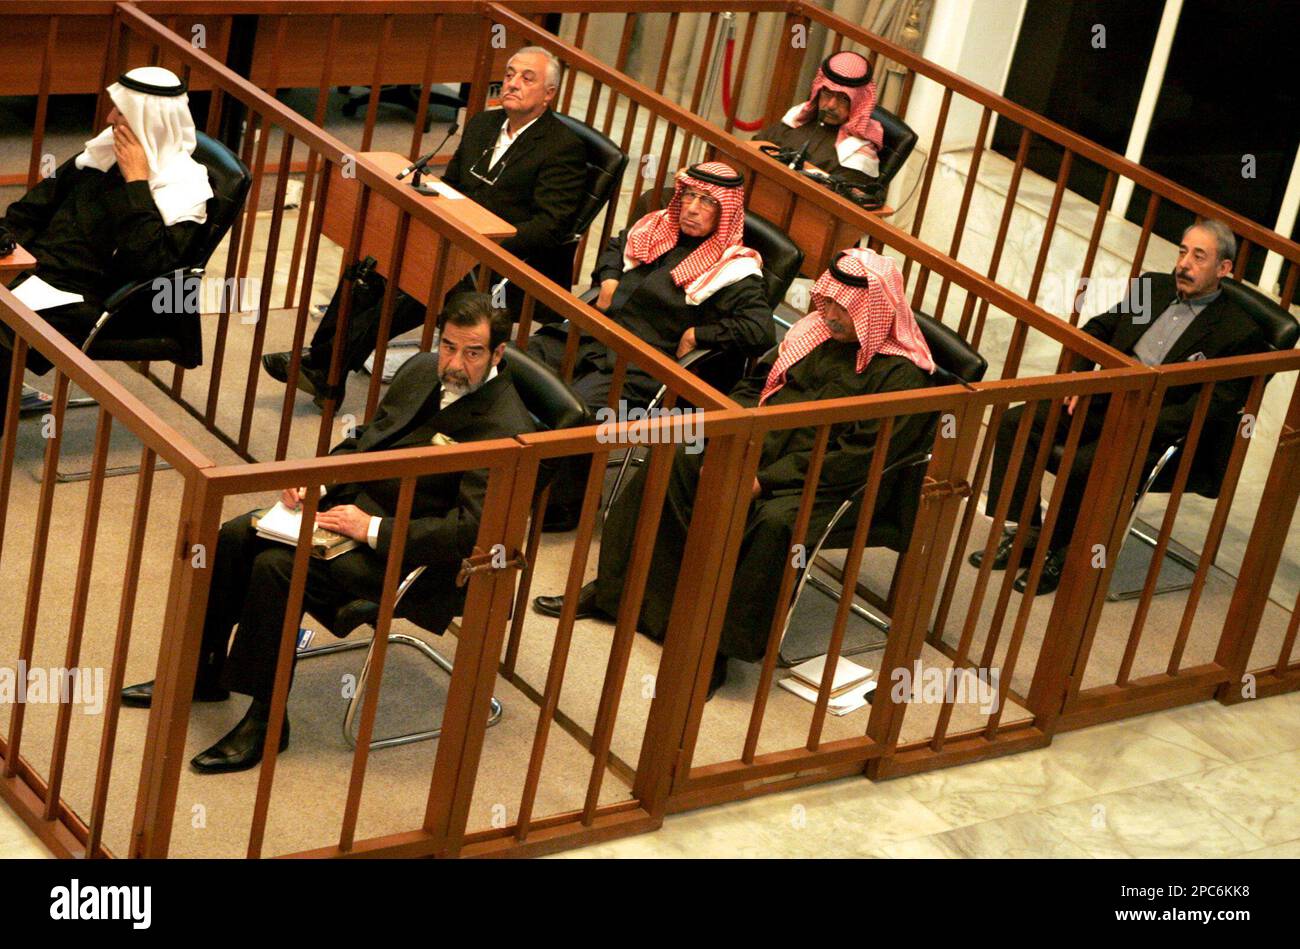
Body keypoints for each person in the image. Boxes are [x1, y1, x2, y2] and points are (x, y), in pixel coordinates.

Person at [120, 293, 537, 773]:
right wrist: (319, 479)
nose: (454, 363)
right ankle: (204, 670)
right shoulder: (421, 370)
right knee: (236, 535)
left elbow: (470, 534)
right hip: (347, 512)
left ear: (499, 354)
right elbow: (364, 440)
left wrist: (373, 528)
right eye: (448, 346)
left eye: (473, 352)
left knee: (277, 567)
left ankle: (268, 719)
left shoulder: (506, 430)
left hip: (410, 555)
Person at [534, 249, 937, 697]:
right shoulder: (815, 334)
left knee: (773, 523)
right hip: (754, 442)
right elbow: (756, 387)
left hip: (825, 483)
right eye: (830, 302)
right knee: (674, 459)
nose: (832, 314)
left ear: (873, 312)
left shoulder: (900, 378)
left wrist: (766, 479)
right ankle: (616, 592)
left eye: (845, 308)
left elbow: (856, 458)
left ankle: (716, 649)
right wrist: (728, 431)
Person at [262, 46, 587, 405]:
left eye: (527, 78)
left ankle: (325, 368)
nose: (512, 84)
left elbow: (551, 226)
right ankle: (323, 364)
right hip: (451, 238)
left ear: (549, 93)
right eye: (509, 74)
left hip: (500, 258)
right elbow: (456, 187)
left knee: (412, 283)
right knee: (371, 264)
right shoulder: (483, 124)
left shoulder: (563, 146)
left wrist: (483, 241)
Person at [974, 219, 1269, 596]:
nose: (1184, 264)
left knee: (1085, 461)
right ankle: (1029, 534)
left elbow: (1210, 408)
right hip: (1105, 397)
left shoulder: (1237, 332)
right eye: (1182, 251)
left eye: (1199, 256)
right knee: (1018, 422)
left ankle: (1064, 550)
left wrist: (1141, 420)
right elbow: (1100, 328)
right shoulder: (1155, 289)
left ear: (1224, 269)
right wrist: (1081, 378)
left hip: (1158, 427)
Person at [527, 161, 775, 530]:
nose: (692, 207)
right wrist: (609, 278)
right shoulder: (657, 228)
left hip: (643, 367)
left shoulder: (733, 269)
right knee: (522, 361)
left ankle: (562, 507)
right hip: (596, 336)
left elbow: (760, 330)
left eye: (707, 201)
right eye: (689, 195)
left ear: (724, 212)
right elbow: (615, 246)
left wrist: (699, 335)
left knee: (577, 407)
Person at [0, 66, 212, 423]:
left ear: (150, 122)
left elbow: (149, 265)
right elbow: (27, 212)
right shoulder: (98, 155)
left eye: (122, 111)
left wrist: (137, 182)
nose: (110, 117)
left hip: (94, 300)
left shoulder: (185, 188)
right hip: (29, 271)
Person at [753, 51, 883, 189]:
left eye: (844, 98)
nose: (831, 105)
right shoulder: (798, 119)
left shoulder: (858, 154)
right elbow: (754, 147)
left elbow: (837, 201)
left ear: (858, 103)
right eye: (827, 92)